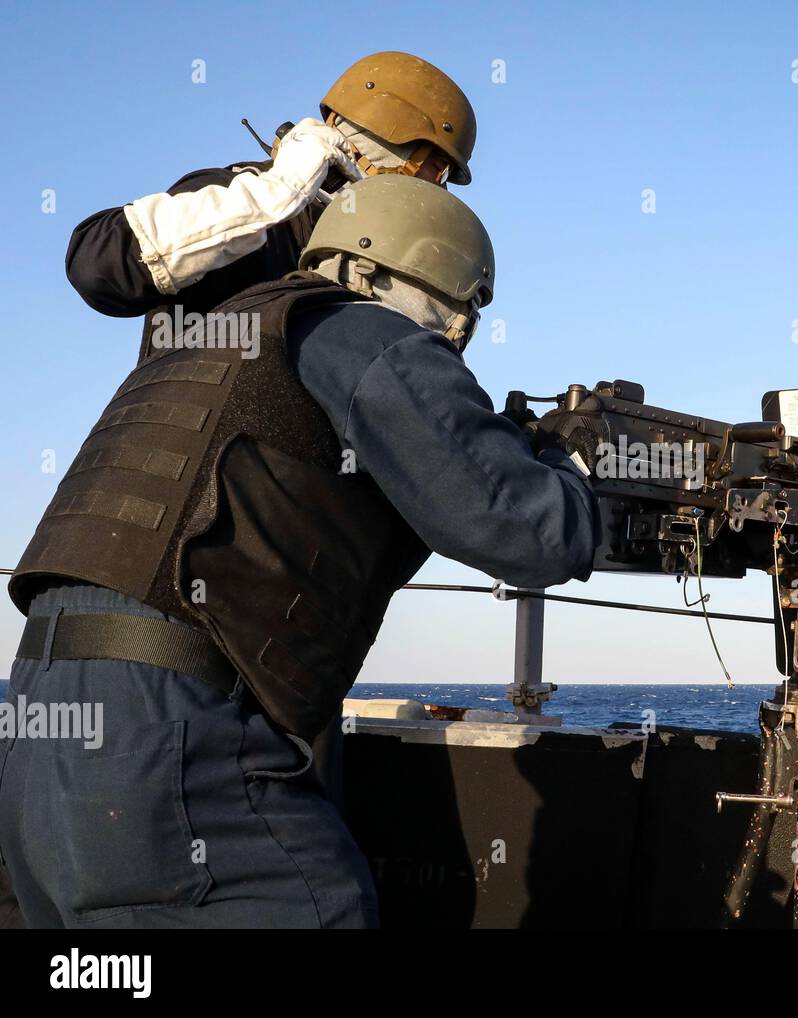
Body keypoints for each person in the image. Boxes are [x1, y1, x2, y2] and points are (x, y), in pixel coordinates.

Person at [0, 175, 600, 928]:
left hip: (38, 723)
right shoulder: (366, 333)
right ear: (387, 273)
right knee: (318, 910)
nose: (454, 336)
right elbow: (529, 533)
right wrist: (575, 464)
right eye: (457, 309)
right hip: (166, 728)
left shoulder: (216, 339)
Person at [65, 50, 477, 362]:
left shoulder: (374, 259)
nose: (437, 192)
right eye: (434, 169)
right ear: (381, 139)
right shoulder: (251, 202)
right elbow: (97, 267)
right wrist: (272, 195)